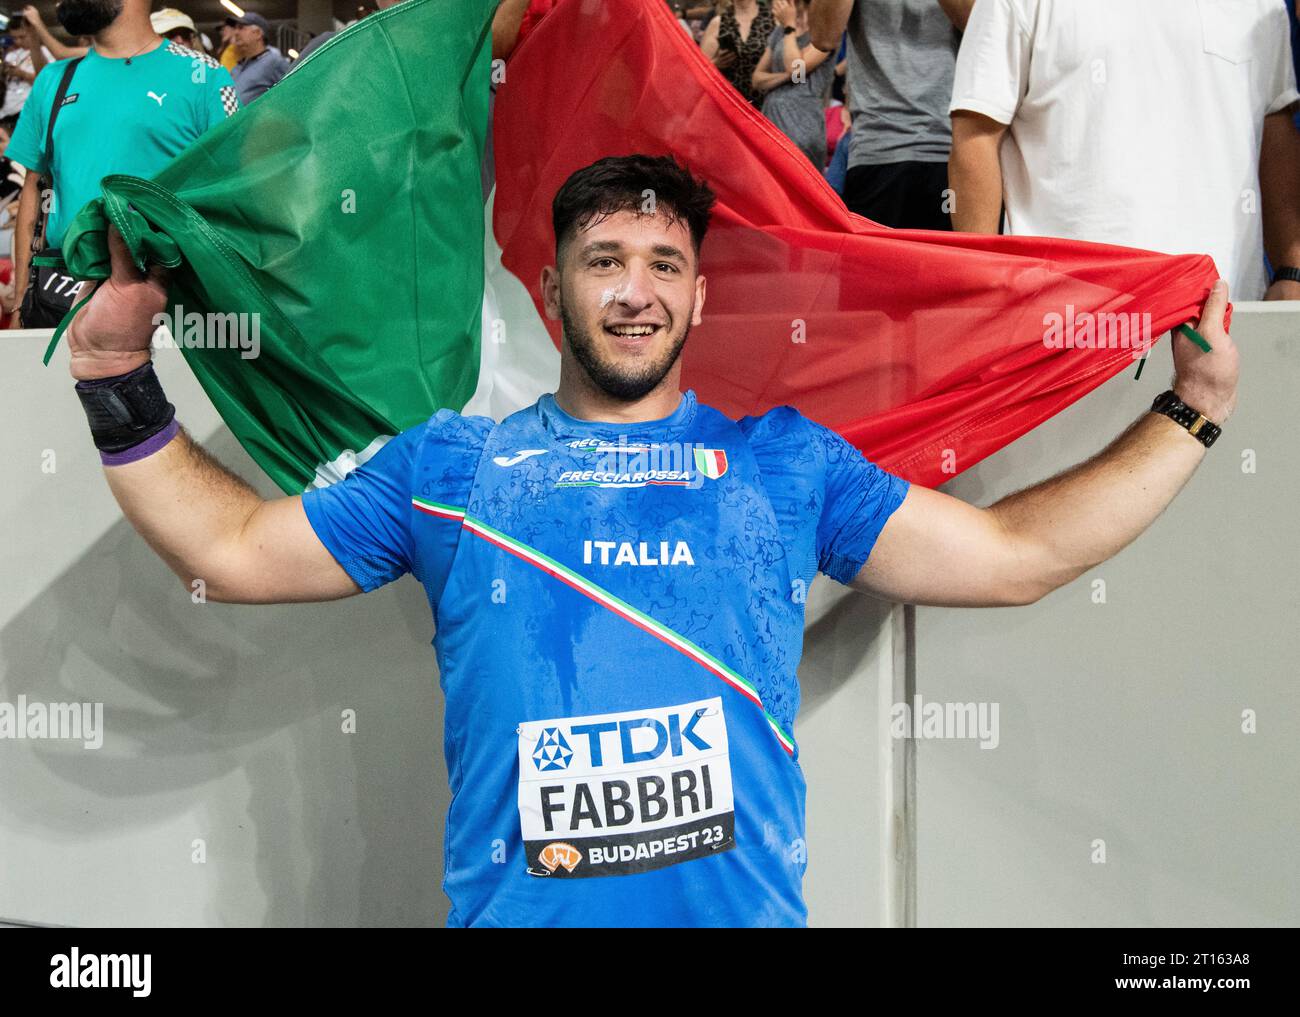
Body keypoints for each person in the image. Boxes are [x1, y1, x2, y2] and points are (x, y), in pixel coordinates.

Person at [59, 153, 1238, 927]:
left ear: (701, 297)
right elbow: (233, 557)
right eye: (604, 262)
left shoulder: (783, 463)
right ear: (549, 286)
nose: (636, 292)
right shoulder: (450, 469)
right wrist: (116, 376)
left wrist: (1191, 413)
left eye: (665, 265)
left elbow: (1014, 560)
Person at [947, 0, 1300, 301]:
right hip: (1066, 315)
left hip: (1222, 309)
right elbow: (976, 136)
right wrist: (984, 287)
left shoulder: (1259, 5)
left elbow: (1274, 131)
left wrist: (1291, 269)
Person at [4, 0, 240, 326]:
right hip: (62, 296)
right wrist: (20, 302)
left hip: (165, 302)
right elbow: (33, 188)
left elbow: (232, 197)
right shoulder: (53, 80)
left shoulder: (205, 76)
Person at [810, 0, 974, 230]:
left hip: (952, 151)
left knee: (951, 263)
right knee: (876, 264)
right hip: (877, 148)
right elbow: (823, 37)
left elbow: (976, 23)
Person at [752, 0, 835, 167]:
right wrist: (785, 76)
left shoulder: (824, 31)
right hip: (771, 120)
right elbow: (757, 79)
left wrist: (789, 27)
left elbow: (796, 70)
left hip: (802, 124)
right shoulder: (779, 32)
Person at [701, 0, 776, 107]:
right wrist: (715, 64)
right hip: (729, 102)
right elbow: (700, 69)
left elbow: (790, 65)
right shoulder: (719, 22)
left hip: (766, 102)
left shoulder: (774, 19)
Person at [228, 11, 288, 104]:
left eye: (241, 28)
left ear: (258, 33)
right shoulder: (237, 68)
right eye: (235, 28)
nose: (236, 33)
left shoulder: (274, 63)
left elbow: (291, 93)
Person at [17, 5, 88, 74]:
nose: (82, 40)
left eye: (86, 38)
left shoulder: (97, 50)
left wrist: (37, 23)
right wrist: (32, 34)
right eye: (83, 37)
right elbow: (42, 72)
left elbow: (61, 54)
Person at [1, 11, 44, 120]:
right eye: (14, 38)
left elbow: (46, 83)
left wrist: (22, 74)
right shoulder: (11, 55)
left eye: (22, 37)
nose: (18, 41)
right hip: (5, 111)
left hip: (27, 111)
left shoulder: (44, 53)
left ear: (32, 32)